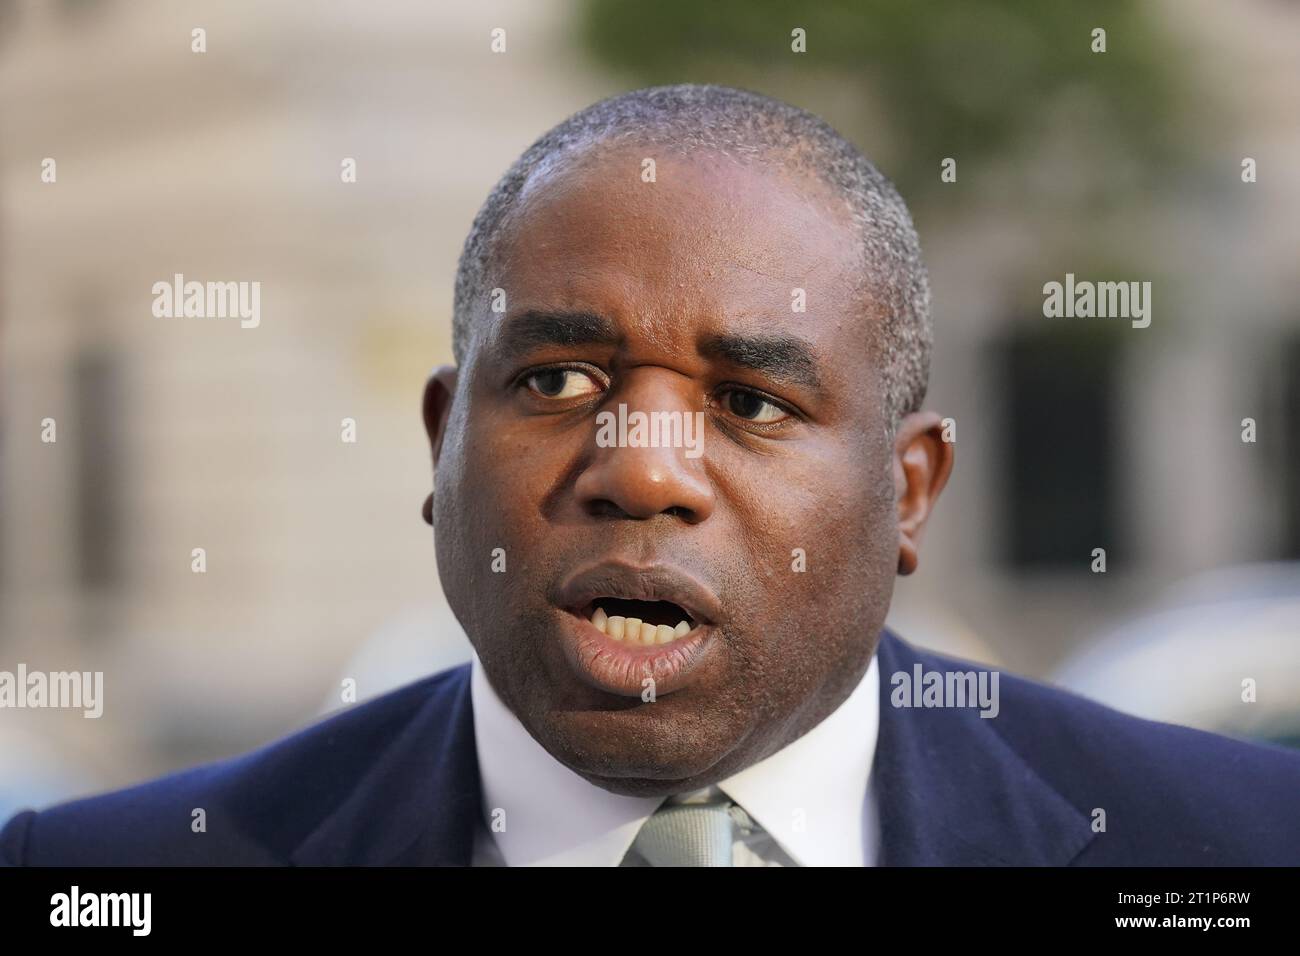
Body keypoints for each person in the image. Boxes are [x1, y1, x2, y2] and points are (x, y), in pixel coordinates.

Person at [4, 85, 1297, 867]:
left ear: (907, 492)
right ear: (441, 444)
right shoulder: (98, 872)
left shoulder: (1237, 843)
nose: (639, 473)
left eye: (750, 402)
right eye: (558, 382)